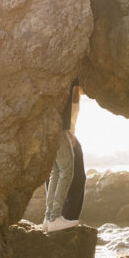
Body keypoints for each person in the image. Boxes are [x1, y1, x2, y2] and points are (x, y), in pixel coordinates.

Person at [44, 81, 81, 231]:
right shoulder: (68, 72)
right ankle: (54, 217)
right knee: (66, 170)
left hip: (48, 125)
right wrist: (68, 129)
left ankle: (49, 218)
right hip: (57, 127)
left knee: (56, 171)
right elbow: (73, 96)